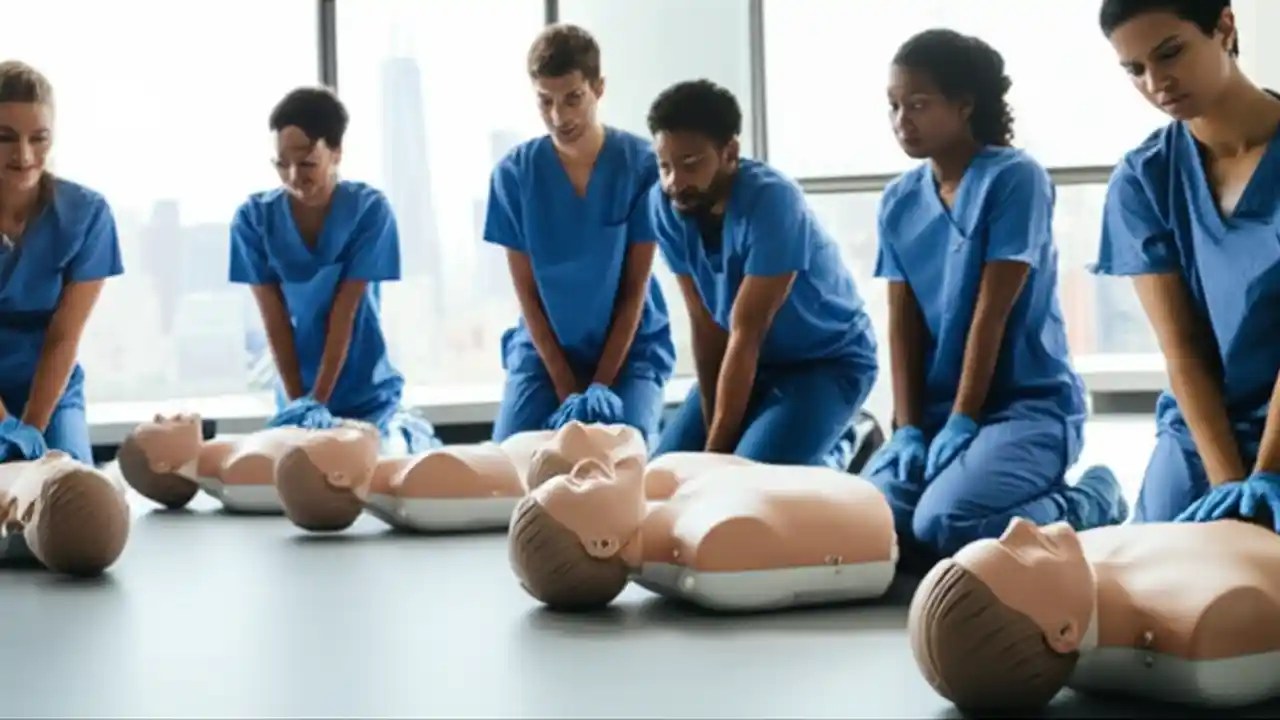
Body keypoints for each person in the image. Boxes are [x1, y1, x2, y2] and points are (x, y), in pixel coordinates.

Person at [865, 30, 1126, 559]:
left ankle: (1089, 501)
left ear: (964, 106)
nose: (901, 121)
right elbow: (903, 325)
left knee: (949, 525)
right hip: (937, 416)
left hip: (1026, 407)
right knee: (870, 529)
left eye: (918, 104)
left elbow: (991, 314)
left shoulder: (1014, 179)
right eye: (893, 106)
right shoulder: (898, 201)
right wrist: (909, 426)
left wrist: (964, 418)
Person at [1094, 0, 1280, 528]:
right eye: (1135, 70)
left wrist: (1267, 471)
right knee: (1155, 581)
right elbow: (1183, 350)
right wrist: (1230, 487)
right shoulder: (1142, 180)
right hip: (1204, 422)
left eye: (1170, 53)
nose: (1157, 83)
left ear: (1224, 27)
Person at [645, 79, 879, 468]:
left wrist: (716, 459)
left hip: (825, 362)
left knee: (744, 480)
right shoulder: (666, 206)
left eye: (690, 164)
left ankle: (846, 441)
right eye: (664, 165)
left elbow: (746, 332)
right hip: (749, 362)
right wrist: (708, 435)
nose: (675, 182)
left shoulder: (773, 202)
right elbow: (705, 327)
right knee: (664, 475)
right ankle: (787, 435)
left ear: (730, 152)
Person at [483, 24, 675, 447]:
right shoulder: (514, 176)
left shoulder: (641, 165)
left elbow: (633, 292)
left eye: (573, 98)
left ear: (598, 89)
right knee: (514, 462)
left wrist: (600, 388)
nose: (559, 116)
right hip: (545, 348)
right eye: (545, 101)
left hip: (630, 349)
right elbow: (528, 297)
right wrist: (567, 387)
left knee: (623, 456)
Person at [229, 86, 438, 456]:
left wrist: (320, 405)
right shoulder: (252, 219)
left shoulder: (369, 211)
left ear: (336, 152)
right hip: (295, 391)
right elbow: (274, 319)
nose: (293, 176)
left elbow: (346, 312)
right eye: (281, 163)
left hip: (364, 390)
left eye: (307, 163)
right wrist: (300, 409)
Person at [0, 60, 123, 464]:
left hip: (51, 387)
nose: (24, 154)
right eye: (5, 138)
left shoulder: (87, 216)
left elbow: (64, 336)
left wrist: (33, 430)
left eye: (39, 138)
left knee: (69, 493)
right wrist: (4, 427)